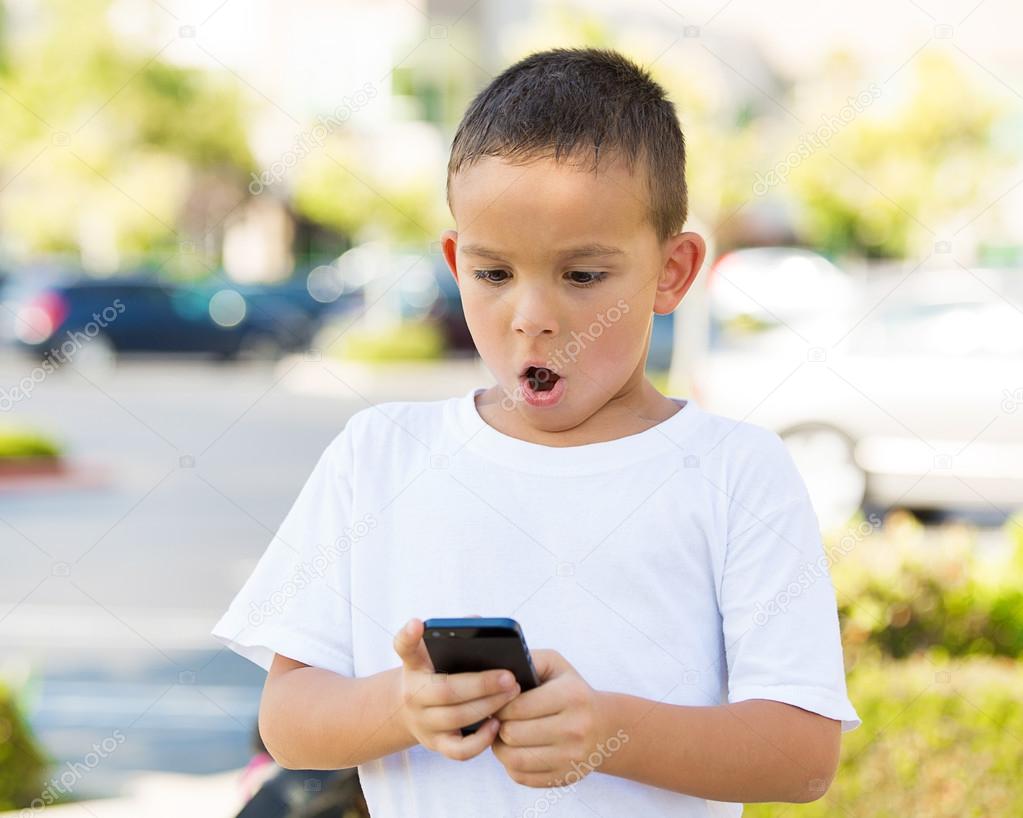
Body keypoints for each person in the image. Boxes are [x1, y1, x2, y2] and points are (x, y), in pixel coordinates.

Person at [211, 46, 860, 817]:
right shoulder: (379, 454)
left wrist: (610, 732)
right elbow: (287, 723)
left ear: (672, 272)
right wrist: (403, 706)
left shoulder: (735, 473)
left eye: (582, 276)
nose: (532, 317)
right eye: (492, 274)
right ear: (455, 261)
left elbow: (799, 757)